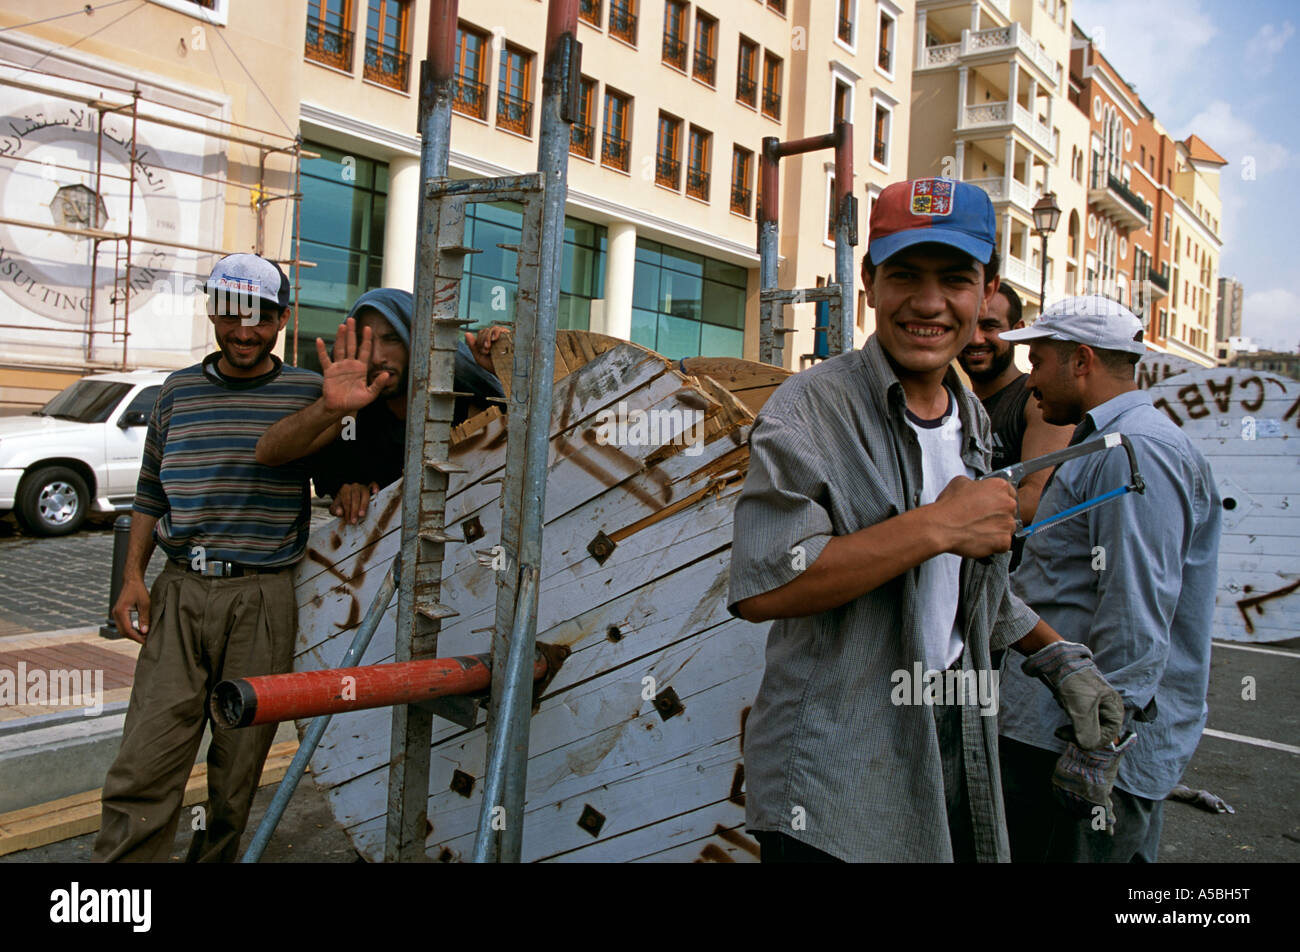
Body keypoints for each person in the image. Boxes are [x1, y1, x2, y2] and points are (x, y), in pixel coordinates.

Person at [727, 178, 1124, 862]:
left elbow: (960, 586)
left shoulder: (966, 414)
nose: (930, 303)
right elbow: (765, 585)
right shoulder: (808, 410)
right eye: (905, 275)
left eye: (954, 279)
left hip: (945, 734)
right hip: (833, 767)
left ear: (985, 288)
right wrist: (936, 527)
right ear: (870, 282)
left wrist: (1057, 656)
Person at [94, 253, 324, 862]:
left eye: (260, 317)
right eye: (231, 314)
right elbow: (149, 490)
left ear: (281, 318)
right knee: (144, 760)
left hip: (263, 598)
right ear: (213, 312)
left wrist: (350, 471)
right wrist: (132, 578)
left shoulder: (310, 393)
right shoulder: (177, 392)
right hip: (180, 591)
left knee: (236, 772)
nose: (243, 331)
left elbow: (348, 471)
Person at [996, 296, 1222, 863]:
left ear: (1082, 361)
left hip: (1080, 744)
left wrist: (1096, 749)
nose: (1029, 380)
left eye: (1038, 360)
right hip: (1053, 729)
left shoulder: (1134, 449)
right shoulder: (1105, 442)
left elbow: (1135, 608)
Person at [254, 287, 505, 523]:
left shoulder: (463, 406)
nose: (377, 357)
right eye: (365, 342)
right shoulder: (353, 416)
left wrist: (505, 371)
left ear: (416, 340)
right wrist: (348, 489)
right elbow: (273, 454)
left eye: (391, 338)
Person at [956, 284, 1073, 538]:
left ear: (1017, 331)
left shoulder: (1038, 401)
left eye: (989, 326)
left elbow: (1038, 497)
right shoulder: (953, 403)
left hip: (1014, 572)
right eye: (968, 326)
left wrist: (949, 522)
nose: (976, 338)